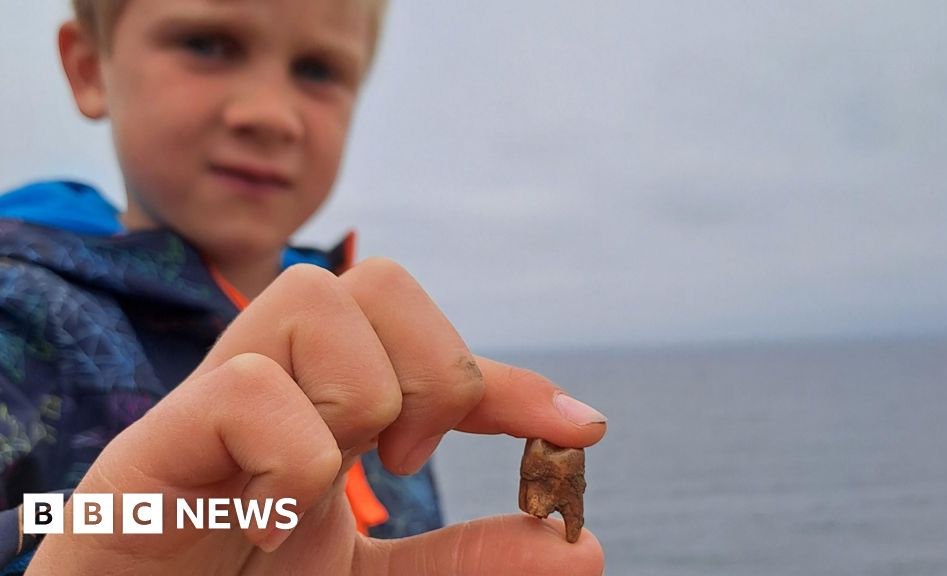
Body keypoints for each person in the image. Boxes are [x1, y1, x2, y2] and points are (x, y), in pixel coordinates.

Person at [0, 0, 608, 574]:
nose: (269, 114)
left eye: (317, 69)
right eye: (208, 44)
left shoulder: (381, 345)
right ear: (89, 69)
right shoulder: (15, 318)